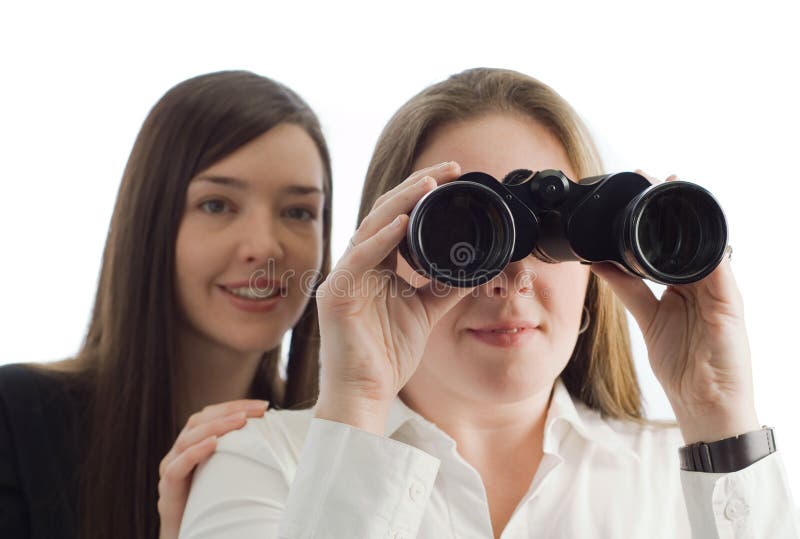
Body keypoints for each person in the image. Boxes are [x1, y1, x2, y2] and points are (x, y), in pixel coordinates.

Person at [178, 68, 798, 538]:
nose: (511, 278)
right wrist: (358, 398)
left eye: (552, 234)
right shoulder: (259, 463)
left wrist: (717, 414)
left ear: (593, 269)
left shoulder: (681, 477)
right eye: (470, 234)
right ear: (390, 245)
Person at [0, 70, 332, 539]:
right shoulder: (17, 421)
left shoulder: (330, 451)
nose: (265, 246)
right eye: (217, 205)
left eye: (299, 212)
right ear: (150, 223)